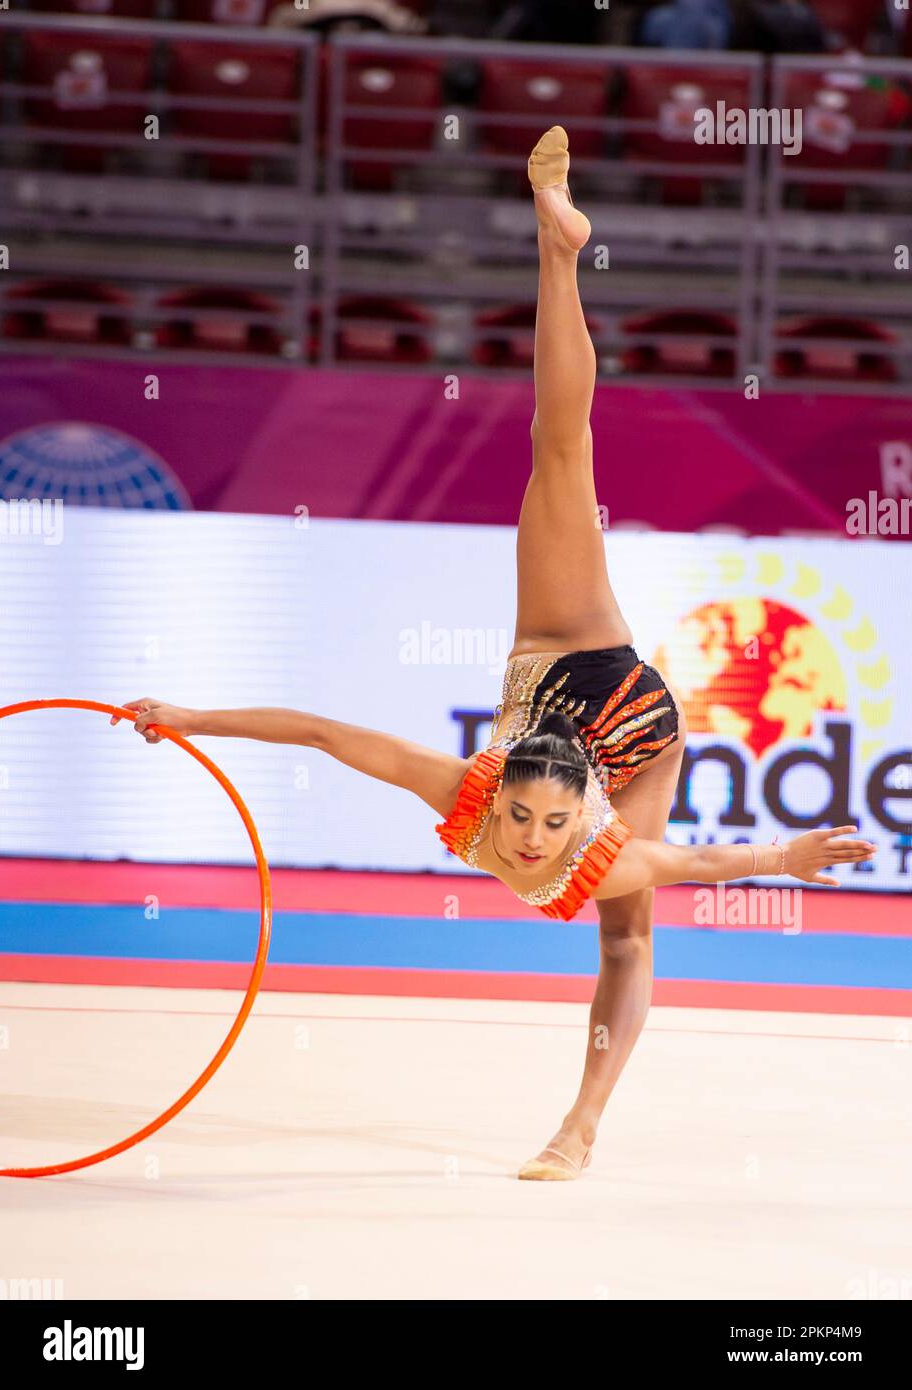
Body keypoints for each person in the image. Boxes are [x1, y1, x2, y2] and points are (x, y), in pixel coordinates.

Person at [112, 127, 876, 1182]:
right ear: (501, 788)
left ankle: (580, 1129)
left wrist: (784, 859)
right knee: (562, 453)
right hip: (593, 683)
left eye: (540, 823)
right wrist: (188, 718)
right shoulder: (483, 795)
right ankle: (559, 244)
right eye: (522, 817)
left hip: (611, 704)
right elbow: (328, 734)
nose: (523, 839)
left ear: (574, 820)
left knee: (626, 938)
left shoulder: (594, 847)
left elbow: (704, 862)